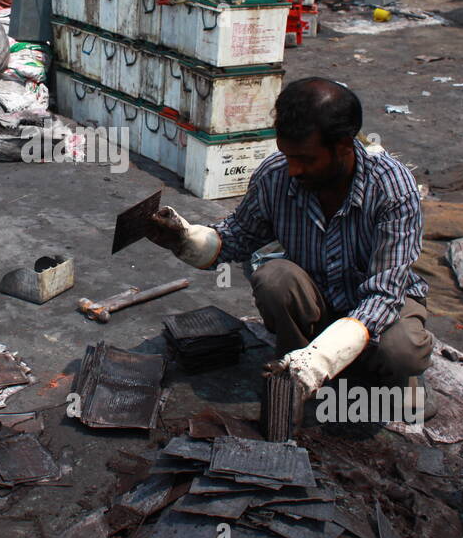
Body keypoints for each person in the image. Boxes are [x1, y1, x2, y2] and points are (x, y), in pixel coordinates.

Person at [144, 78, 435, 426]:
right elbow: (236, 237)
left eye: (306, 159)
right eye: (288, 155)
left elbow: (383, 295)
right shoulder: (277, 176)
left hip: (381, 307)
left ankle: (362, 378)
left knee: (400, 350)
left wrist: (317, 364)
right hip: (320, 296)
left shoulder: (391, 188)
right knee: (274, 278)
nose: (294, 170)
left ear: (344, 145)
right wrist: (185, 238)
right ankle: (291, 374)